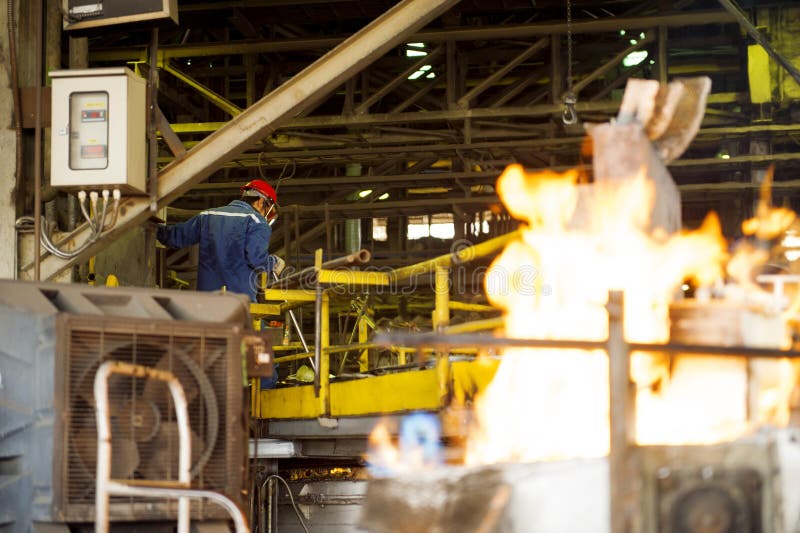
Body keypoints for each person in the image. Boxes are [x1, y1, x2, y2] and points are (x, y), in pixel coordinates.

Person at [157, 179, 285, 302]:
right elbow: (256, 259)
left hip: (207, 301)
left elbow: (174, 237)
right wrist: (274, 262)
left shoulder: (208, 216)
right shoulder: (257, 221)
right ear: (261, 201)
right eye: (269, 211)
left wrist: (149, 224)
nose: (266, 216)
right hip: (238, 302)